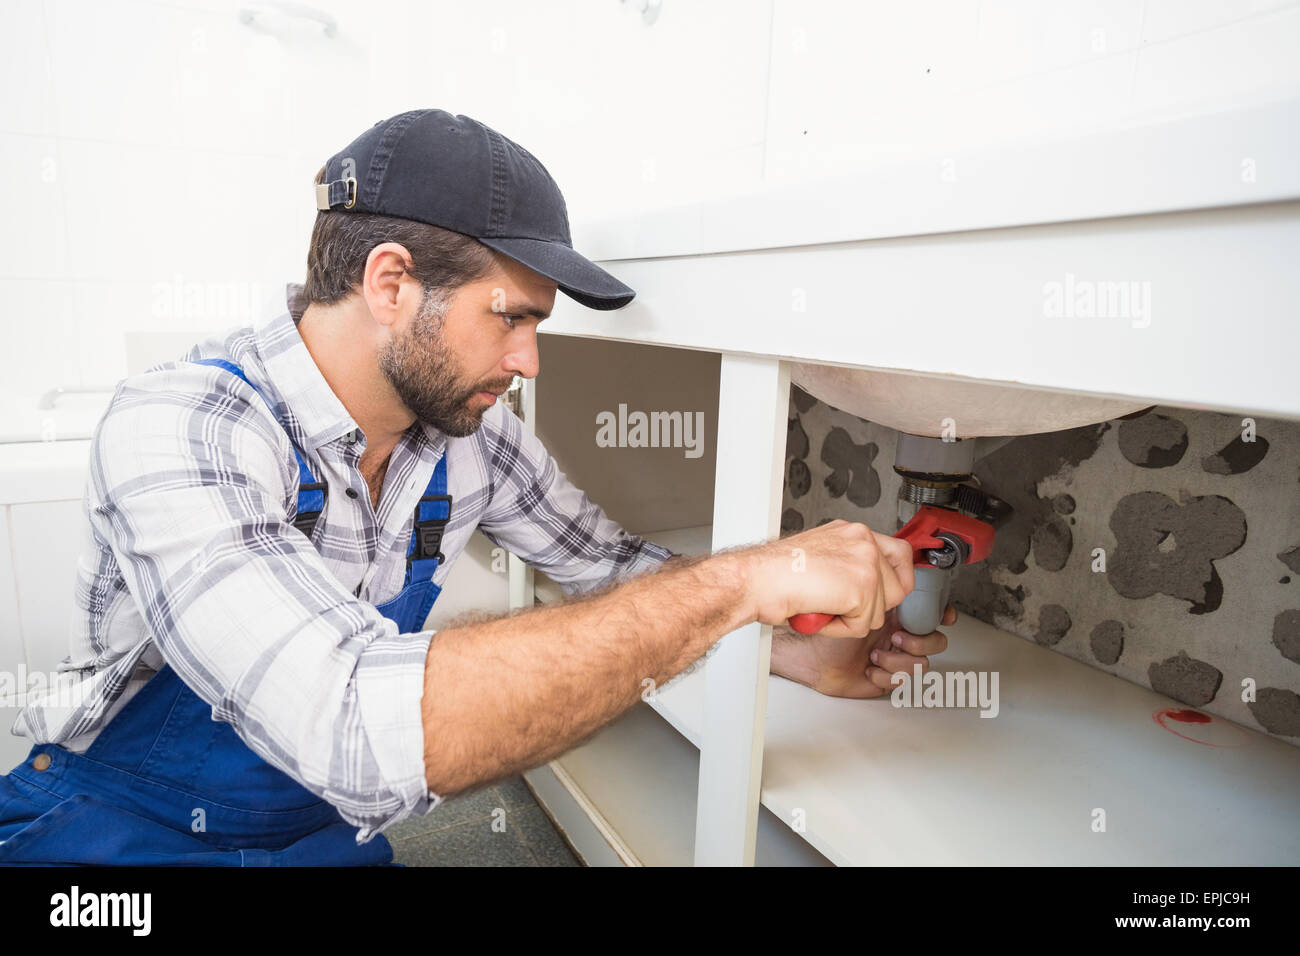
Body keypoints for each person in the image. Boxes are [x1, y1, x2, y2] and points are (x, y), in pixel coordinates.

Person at [0, 109, 952, 866]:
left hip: (313, 834)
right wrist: (747, 579)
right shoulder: (185, 427)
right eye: (512, 318)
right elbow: (350, 729)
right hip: (117, 825)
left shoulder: (472, 440)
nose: (530, 360)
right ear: (390, 283)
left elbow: (611, 570)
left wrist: (783, 649)